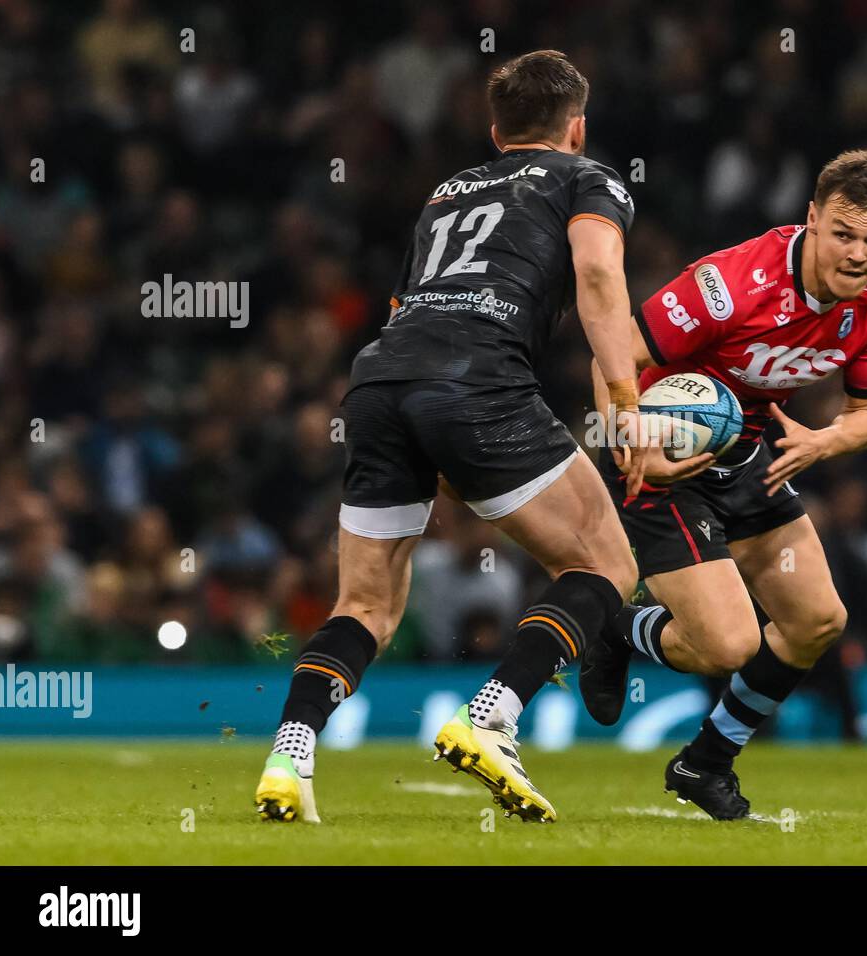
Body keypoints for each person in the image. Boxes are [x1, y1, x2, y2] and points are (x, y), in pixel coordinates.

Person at [255, 50, 647, 824]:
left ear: (496, 130)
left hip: (381, 379)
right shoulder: (587, 177)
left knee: (365, 603)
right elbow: (600, 280)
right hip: (476, 378)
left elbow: (409, 301)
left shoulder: (445, 193)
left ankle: (289, 753)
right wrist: (626, 403)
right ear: (578, 127)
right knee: (606, 562)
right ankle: (492, 715)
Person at [581, 150, 867, 818]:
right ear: (811, 219)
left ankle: (705, 762)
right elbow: (613, 350)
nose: (858, 254)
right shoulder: (732, 284)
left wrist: (824, 440)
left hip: (752, 451)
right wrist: (630, 438)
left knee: (819, 620)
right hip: (664, 457)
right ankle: (614, 629)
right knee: (726, 646)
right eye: (843, 233)